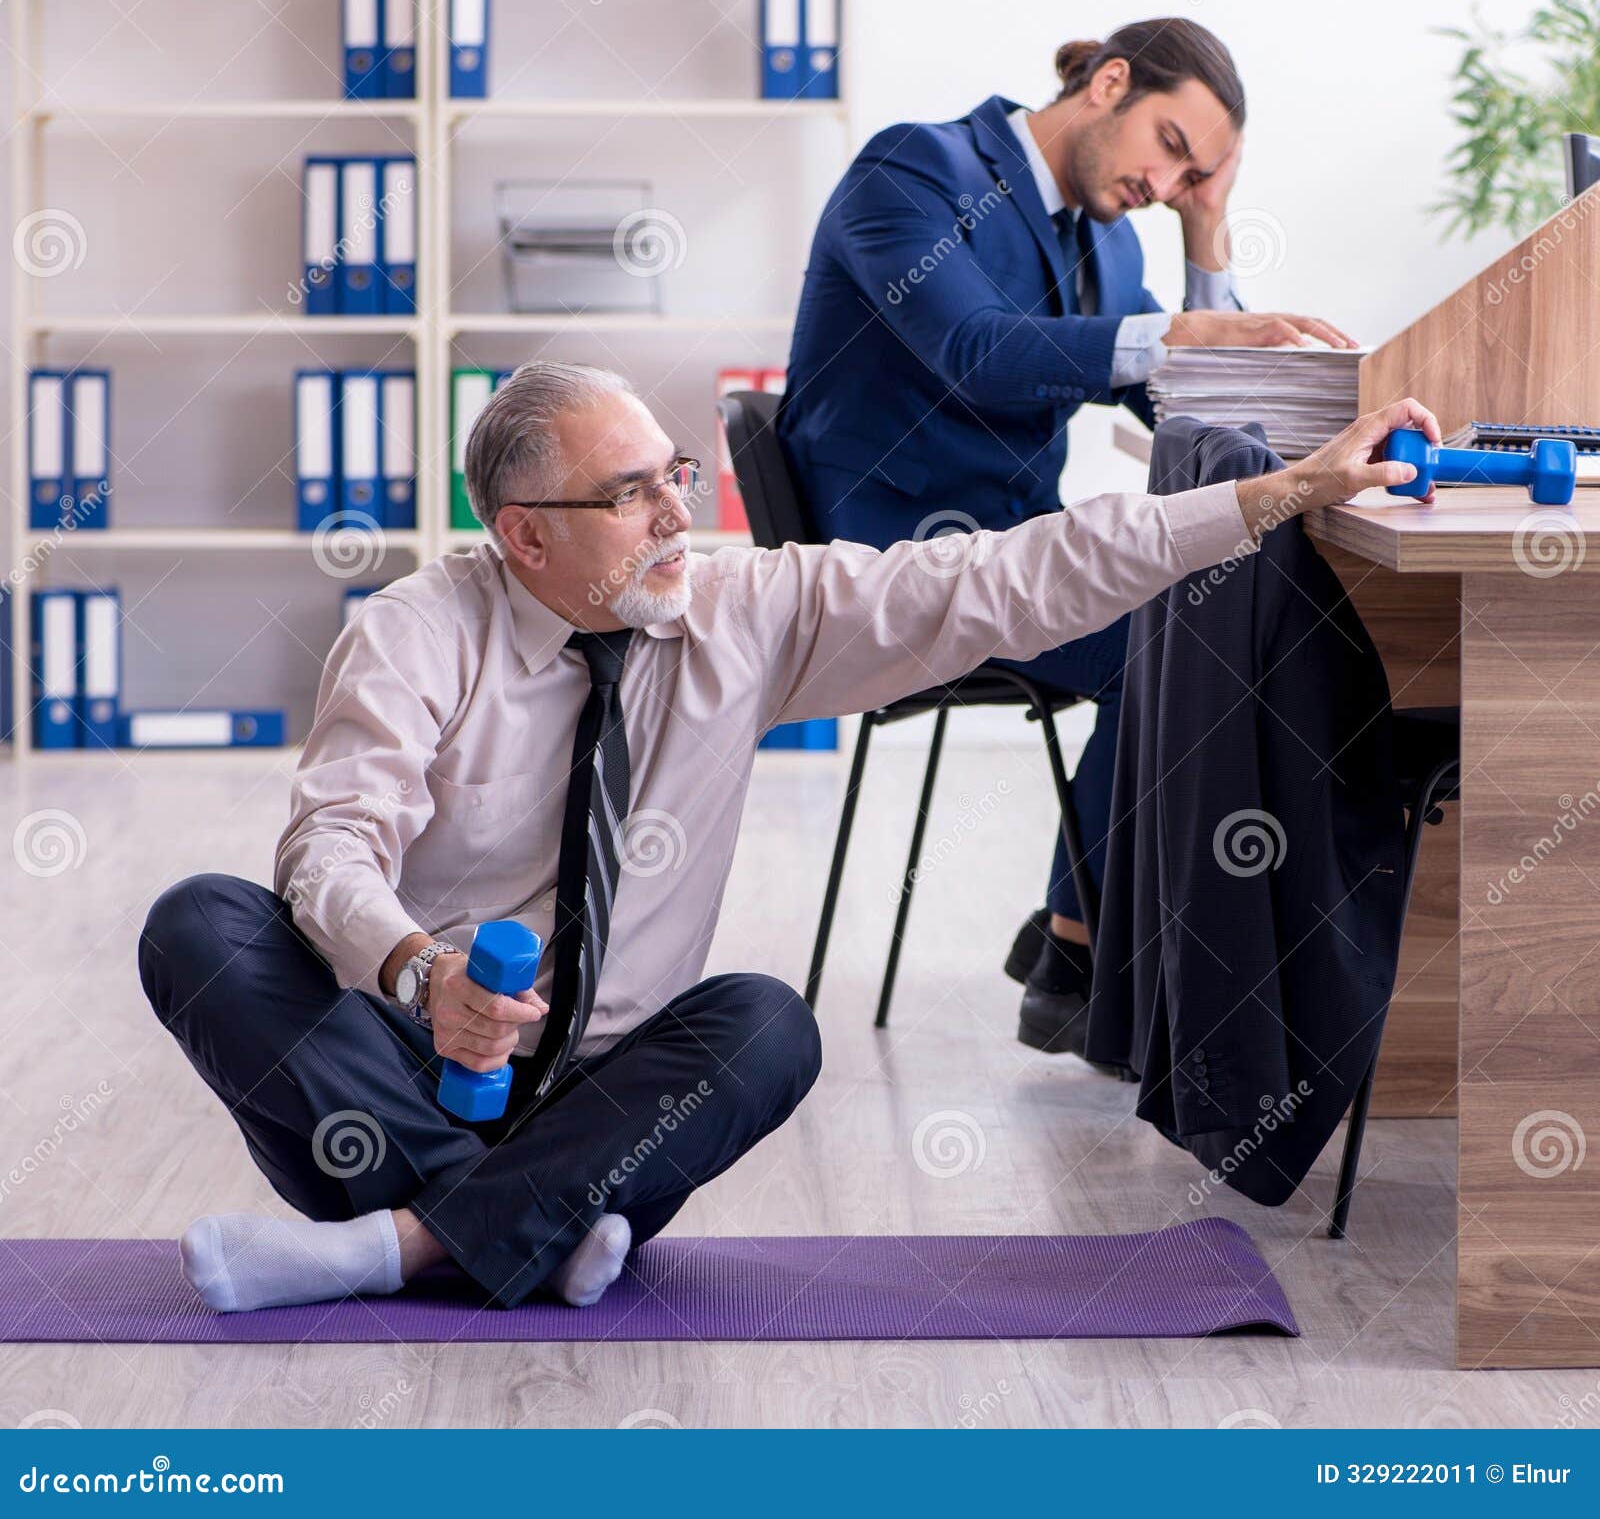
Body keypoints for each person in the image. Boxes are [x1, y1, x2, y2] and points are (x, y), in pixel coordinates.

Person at [138, 362, 1434, 1313]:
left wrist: (1287, 492)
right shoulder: (420, 626)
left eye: (675, 476)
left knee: (769, 1019)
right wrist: (423, 975)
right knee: (202, 921)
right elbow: (331, 848)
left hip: (612, 1088)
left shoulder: (742, 607)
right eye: (629, 492)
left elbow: (1004, 575)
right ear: (523, 534)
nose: (674, 515)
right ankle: (534, 1219)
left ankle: (394, 1248)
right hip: (407, 1062)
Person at [779, 18, 1356, 1063]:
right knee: (1180, 634)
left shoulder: (1103, 235)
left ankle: (1078, 941)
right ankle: (1078, 961)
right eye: (1170, 146)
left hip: (1010, 557)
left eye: (1195, 171)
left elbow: (1176, 407)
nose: (1167, 179)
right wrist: (1186, 332)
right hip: (891, 563)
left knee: (1228, 605)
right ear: (1111, 84)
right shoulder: (918, 168)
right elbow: (975, 350)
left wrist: (1206, 242)